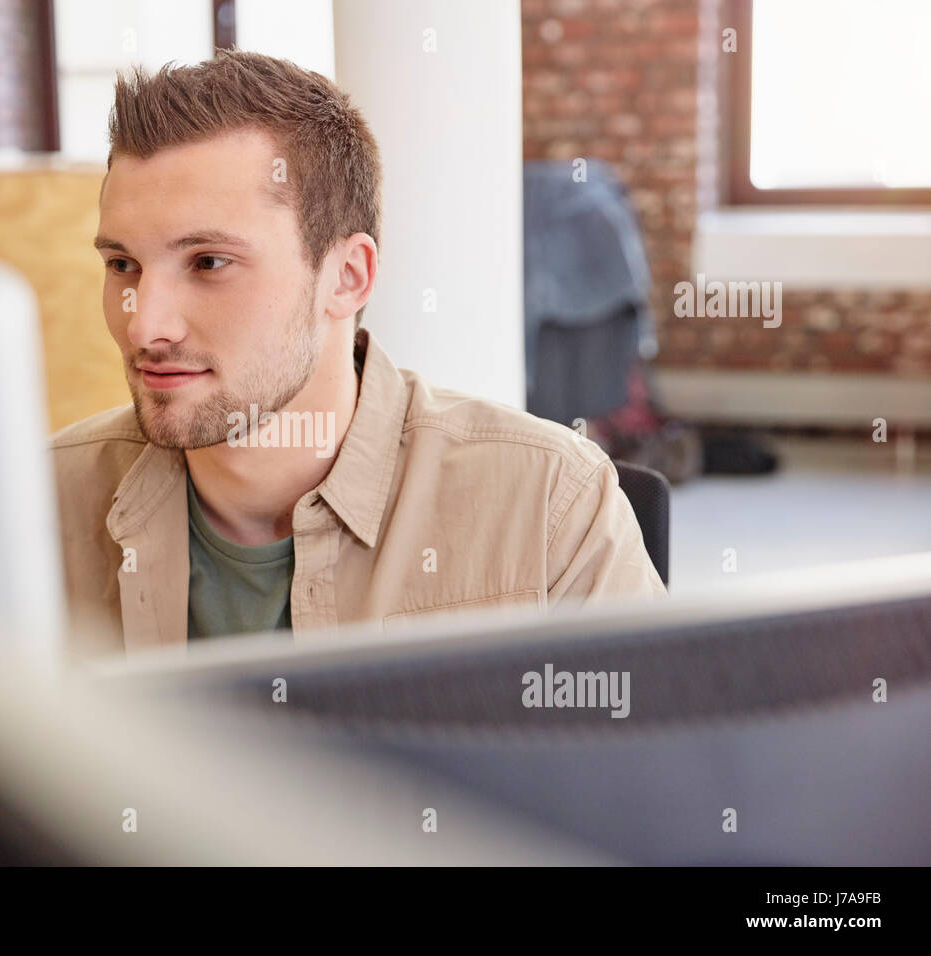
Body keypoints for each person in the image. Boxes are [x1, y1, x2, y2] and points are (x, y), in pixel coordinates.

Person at [51, 50, 665, 660]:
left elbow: (656, 753)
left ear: (347, 276)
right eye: (122, 265)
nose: (145, 324)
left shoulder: (549, 506)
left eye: (209, 262)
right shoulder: (35, 504)